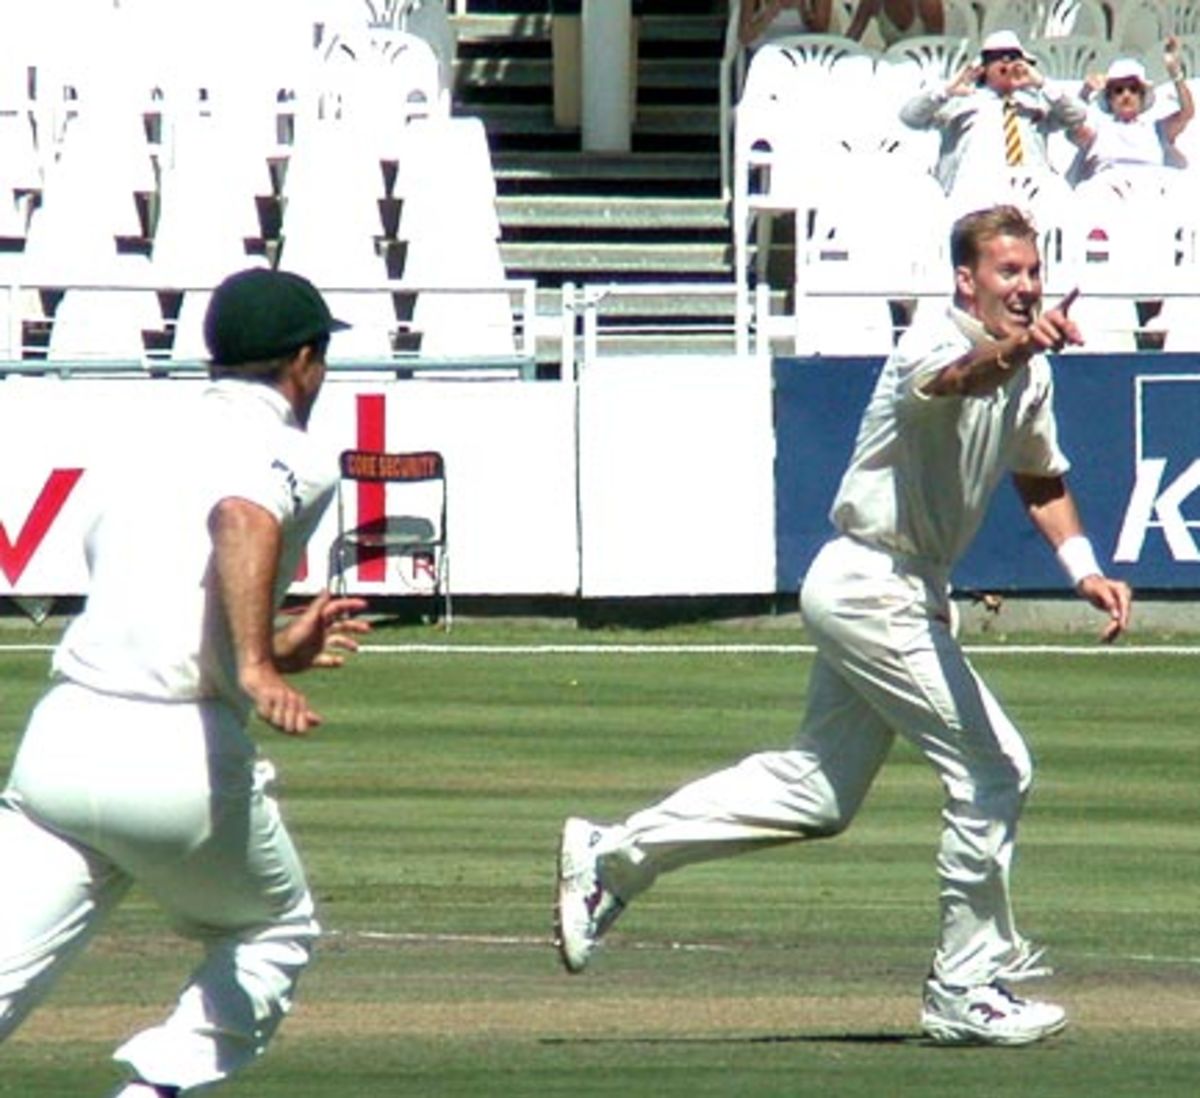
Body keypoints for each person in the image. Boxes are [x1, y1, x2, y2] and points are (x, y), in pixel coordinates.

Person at [555, 204, 1133, 1047]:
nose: (1026, 285)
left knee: (818, 792)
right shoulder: (930, 342)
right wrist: (1022, 346)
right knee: (995, 766)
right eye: (1008, 272)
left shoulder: (1031, 373)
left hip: (905, 589)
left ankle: (614, 857)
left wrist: (1082, 566)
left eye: (1034, 271)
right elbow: (963, 379)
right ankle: (965, 983)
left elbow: (1039, 477)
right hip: (870, 581)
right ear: (965, 280)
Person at [0, 268, 368, 1097]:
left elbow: (156, 596)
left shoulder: (141, 439)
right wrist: (257, 664)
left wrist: (274, 641)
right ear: (305, 361)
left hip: (61, 741)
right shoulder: (293, 453)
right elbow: (241, 518)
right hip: (176, 754)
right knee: (275, 929)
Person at [899, 30, 1087, 218]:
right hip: (976, 191)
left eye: (1015, 58)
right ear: (983, 67)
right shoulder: (962, 100)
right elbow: (910, 117)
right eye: (999, 58)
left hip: (1029, 190)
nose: (1008, 64)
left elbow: (1077, 116)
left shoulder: (1036, 103)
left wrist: (1041, 83)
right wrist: (946, 91)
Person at [1070, 40, 1194, 187]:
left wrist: (1176, 73)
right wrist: (1084, 94)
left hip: (1148, 191)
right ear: (1110, 99)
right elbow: (1072, 126)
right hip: (1107, 191)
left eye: (1133, 90)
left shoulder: (1156, 130)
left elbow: (1186, 113)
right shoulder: (1099, 129)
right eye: (1118, 90)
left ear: (1141, 97)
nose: (1126, 95)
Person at [738, 0, 833, 49]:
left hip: (803, 51)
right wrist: (773, 9)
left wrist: (803, 9)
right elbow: (744, 37)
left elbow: (821, 31)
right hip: (764, 51)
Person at [845, 0, 944, 44]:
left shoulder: (928, 3)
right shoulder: (873, 2)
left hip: (924, 66)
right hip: (891, 66)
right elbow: (851, 38)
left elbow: (938, 46)